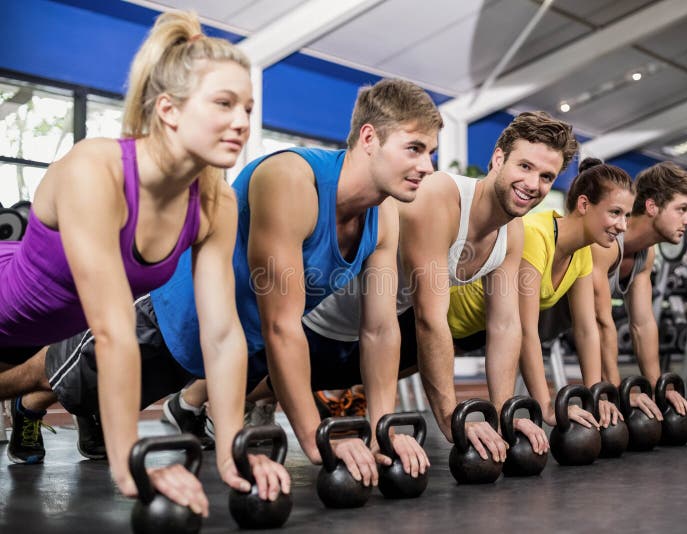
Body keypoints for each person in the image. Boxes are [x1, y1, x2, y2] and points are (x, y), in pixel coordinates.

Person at [0, 78, 442, 490]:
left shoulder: (383, 217)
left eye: (432, 153)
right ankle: (28, 405)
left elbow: (381, 330)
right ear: (369, 138)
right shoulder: (293, 181)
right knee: (50, 379)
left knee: (98, 397)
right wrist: (316, 440)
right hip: (169, 317)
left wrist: (383, 429)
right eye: (415, 148)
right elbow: (283, 326)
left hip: (230, 349)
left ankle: (78, 408)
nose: (427, 166)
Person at [0, 12, 289, 516]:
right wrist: (129, 461)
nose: (242, 122)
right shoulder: (98, 171)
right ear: (169, 110)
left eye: (247, 107)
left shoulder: (215, 204)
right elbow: (112, 333)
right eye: (223, 104)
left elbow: (221, 337)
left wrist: (231, 452)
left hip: (41, 329)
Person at [398, 111, 578, 463]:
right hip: (326, 315)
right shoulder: (442, 196)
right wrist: (453, 421)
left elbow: (505, 325)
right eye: (524, 167)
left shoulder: (513, 231)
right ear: (498, 158)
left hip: (387, 324)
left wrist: (503, 416)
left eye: (546, 177)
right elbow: (430, 319)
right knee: (265, 386)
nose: (533, 184)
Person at [446, 158, 635, 435]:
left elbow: (586, 329)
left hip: (477, 332)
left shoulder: (582, 252)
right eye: (616, 213)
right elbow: (526, 331)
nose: (623, 226)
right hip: (444, 321)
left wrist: (596, 397)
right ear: (584, 205)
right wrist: (546, 406)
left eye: (627, 216)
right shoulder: (536, 236)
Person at [592, 161, 687, 419]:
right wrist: (614, 392)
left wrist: (658, 387)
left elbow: (642, 323)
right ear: (652, 206)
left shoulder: (646, 254)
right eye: (682, 209)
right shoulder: (605, 242)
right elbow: (598, 321)